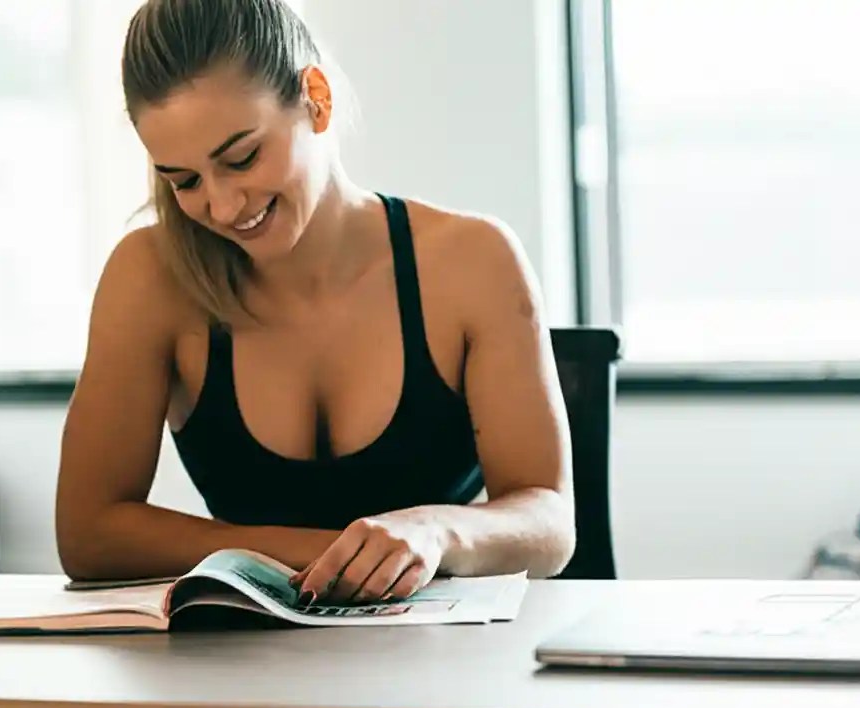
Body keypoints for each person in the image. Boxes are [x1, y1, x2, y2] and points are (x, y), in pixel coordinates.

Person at [54, 0, 575, 606]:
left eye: (242, 157)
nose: (222, 208)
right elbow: (89, 535)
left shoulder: (474, 260)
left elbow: (549, 522)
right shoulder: (150, 276)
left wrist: (433, 531)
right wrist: (337, 552)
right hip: (243, 674)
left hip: (446, 667)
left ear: (316, 99)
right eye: (184, 180)